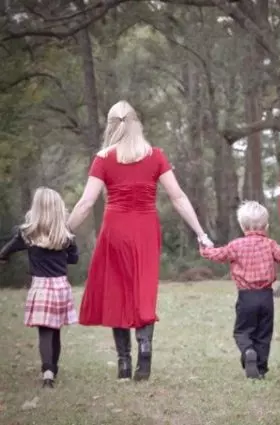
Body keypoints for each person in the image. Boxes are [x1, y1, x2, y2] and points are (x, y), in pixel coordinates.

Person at [67, 100, 213, 382]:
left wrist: (64, 230)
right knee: (143, 290)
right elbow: (178, 197)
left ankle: (124, 363)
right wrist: (201, 233)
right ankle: (145, 352)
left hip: (115, 230)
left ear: (111, 126)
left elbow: (86, 203)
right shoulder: (155, 156)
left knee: (118, 292)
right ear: (137, 123)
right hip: (146, 229)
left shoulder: (103, 158)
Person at [199, 201, 280, 379]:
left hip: (246, 297)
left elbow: (218, 255)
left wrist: (204, 248)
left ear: (242, 225)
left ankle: (248, 351)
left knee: (242, 331)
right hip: (267, 297)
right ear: (266, 226)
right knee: (263, 334)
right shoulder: (270, 245)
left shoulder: (236, 246)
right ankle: (260, 369)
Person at [0, 187, 79, 388]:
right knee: (56, 330)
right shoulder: (67, 234)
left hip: (41, 287)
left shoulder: (26, 234)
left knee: (45, 332)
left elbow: (5, 252)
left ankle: (47, 373)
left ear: (35, 209)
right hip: (60, 286)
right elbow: (74, 259)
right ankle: (54, 368)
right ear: (59, 209)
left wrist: (5, 258)